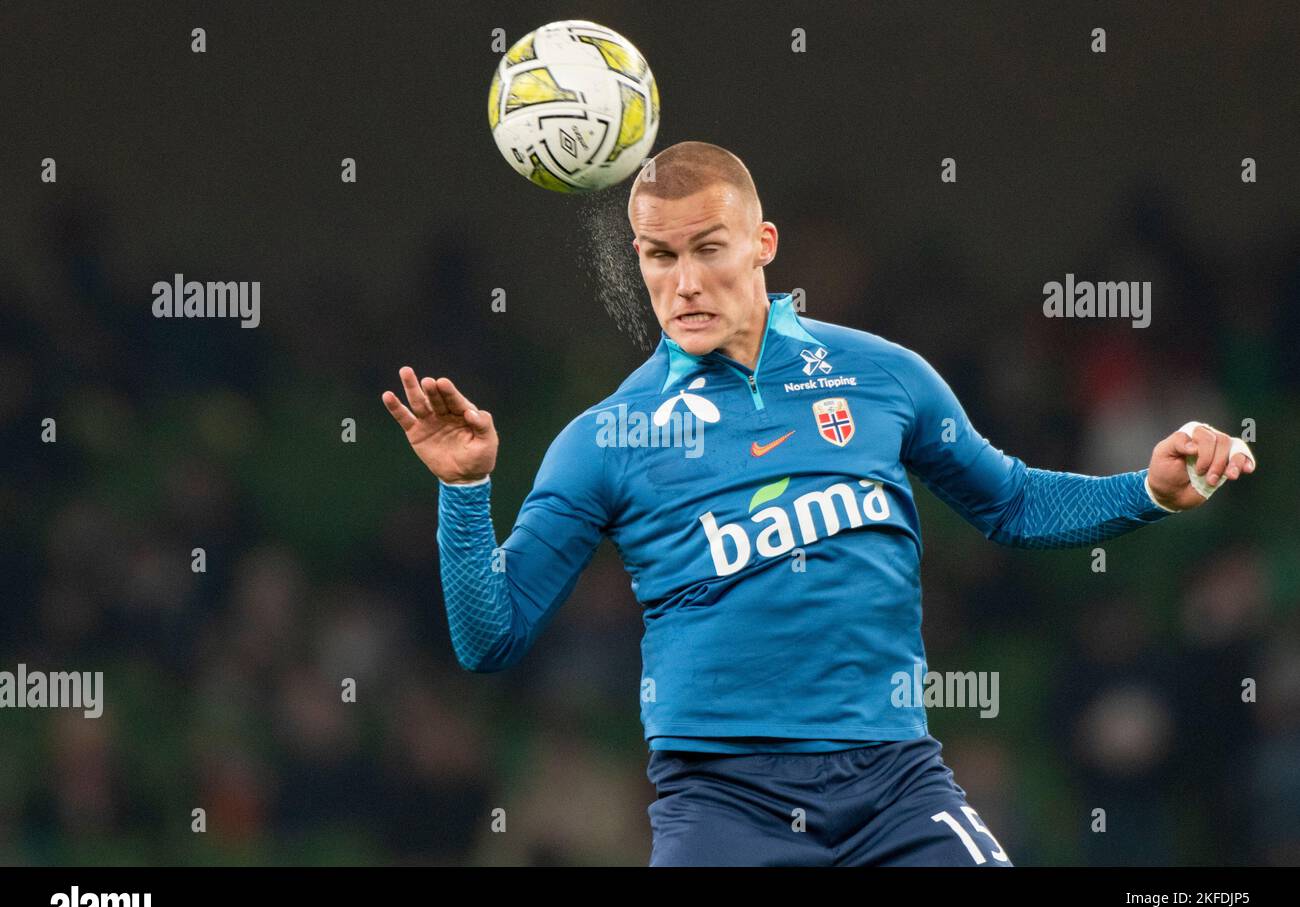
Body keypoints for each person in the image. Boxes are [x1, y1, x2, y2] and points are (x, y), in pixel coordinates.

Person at [381, 141, 1257, 866]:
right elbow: (489, 638)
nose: (683, 282)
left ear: (763, 243)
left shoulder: (882, 375)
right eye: (659, 255)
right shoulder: (607, 439)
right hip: (724, 808)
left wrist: (1147, 491)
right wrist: (464, 491)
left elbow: (1015, 504)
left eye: (708, 248)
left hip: (896, 789)